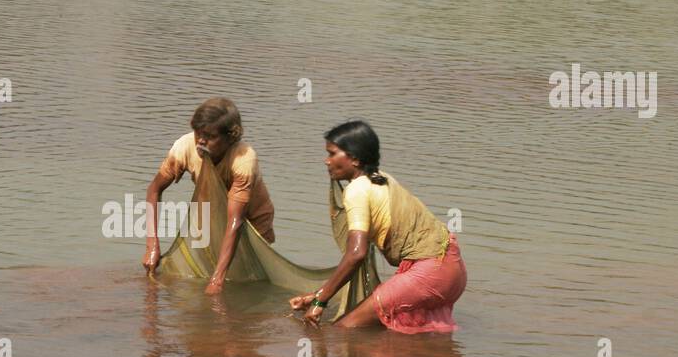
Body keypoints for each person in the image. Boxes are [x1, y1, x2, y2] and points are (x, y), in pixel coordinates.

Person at [289, 121, 466, 332]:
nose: (326, 161)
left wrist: (320, 303)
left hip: (428, 271)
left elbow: (356, 254)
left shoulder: (357, 190)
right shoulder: (382, 178)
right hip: (453, 269)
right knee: (390, 336)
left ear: (354, 158)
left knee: (345, 330)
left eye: (332, 154)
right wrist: (316, 295)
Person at [143, 98, 275, 295]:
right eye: (198, 134)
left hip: (252, 222)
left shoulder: (243, 159)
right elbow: (154, 190)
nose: (201, 141)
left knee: (247, 283)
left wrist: (217, 280)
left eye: (210, 136)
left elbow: (236, 220)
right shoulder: (184, 147)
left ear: (231, 137)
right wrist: (152, 246)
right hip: (214, 218)